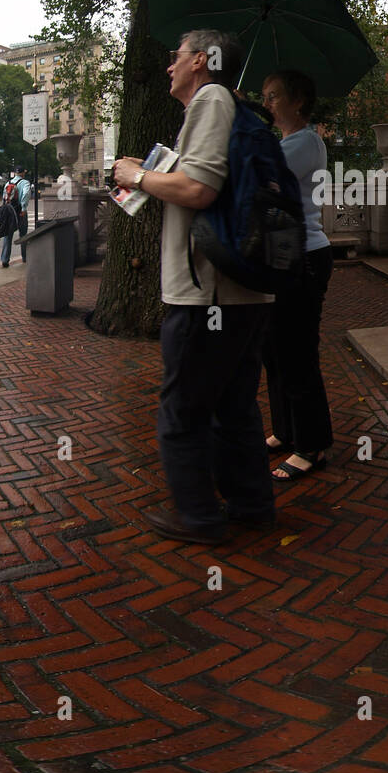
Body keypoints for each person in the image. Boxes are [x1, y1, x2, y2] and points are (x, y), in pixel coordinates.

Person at [110, 29, 275, 544]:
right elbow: (202, 181)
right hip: (241, 294)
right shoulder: (230, 106)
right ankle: (251, 505)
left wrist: (134, 177)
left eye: (176, 56)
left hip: (207, 295)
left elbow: (198, 189)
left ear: (202, 61)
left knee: (182, 410)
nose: (169, 67)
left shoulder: (210, 98)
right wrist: (152, 169)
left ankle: (198, 517)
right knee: (235, 407)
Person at [259, 70, 337, 482]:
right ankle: (286, 430)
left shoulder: (304, 142)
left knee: (297, 352)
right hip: (284, 256)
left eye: (274, 97)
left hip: (305, 256)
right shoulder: (284, 142)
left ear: (298, 102)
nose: (267, 103)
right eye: (265, 97)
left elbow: (257, 171)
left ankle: (312, 445)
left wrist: (243, 120)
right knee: (274, 349)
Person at [0, 185, 25, 267]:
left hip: (8, 210)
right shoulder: (24, 183)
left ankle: (5, 260)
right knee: (23, 235)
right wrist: (23, 209)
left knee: (7, 236)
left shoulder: (7, 184)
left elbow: (4, 197)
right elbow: (25, 197)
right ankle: (25, 256)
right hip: (18, 211)